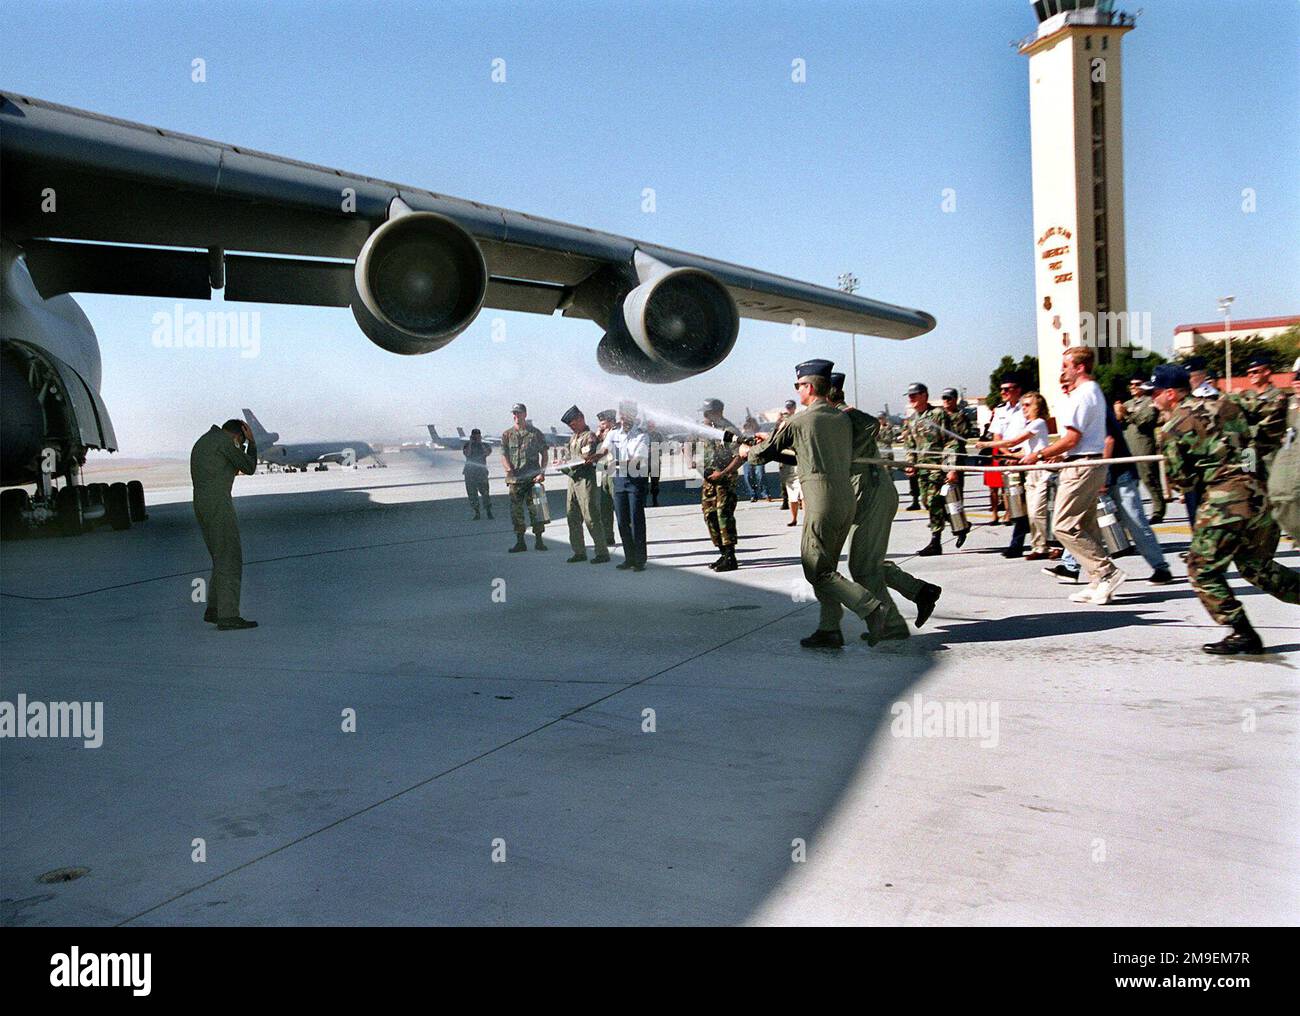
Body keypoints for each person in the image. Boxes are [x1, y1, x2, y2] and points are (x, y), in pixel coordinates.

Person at [1150, 364, 1298, 654]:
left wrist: (1210, 472)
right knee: (1257, 567)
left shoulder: (1171, 429)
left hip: (1224, 502)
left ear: (1170, 393)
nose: (1152, 399)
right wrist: (1247, 468)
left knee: (1201, 569)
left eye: (1154, 393)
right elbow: (1255, 435)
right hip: (1258, 495)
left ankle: (1242, 632)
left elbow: (1184, 481)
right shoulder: (1227, 404)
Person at [740, 359, 887, 649]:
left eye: (798, 386)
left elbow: (761, 455)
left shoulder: (797, 421)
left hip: (820, 501)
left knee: (816, 569)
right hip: (846, 499)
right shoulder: (840, 419)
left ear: (808, 386)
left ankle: (870, 607)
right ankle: (830, 629)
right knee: (828, 568)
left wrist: (747, 449)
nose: (797, 391)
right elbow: (805, 454)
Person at [829, 372, 941, 640]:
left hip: (872, 497)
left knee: (863, 567)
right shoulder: (832, 421)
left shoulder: (844, 416)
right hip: (865, 497)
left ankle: (891, 623)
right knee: (866, 564)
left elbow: (870, 425)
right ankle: (920, 592)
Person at [1020, 346, 1126, 605]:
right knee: (1087, 526)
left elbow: (1071, 438)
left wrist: (1042, 454)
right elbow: (1076, 441)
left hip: (1082, 466)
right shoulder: (1091, 392)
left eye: (1066, 365)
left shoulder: (1084, 394)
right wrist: (1060, 454)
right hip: (1085, 461)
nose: (1062, 370)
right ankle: (1096, 582)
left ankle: (1106, 571)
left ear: (1079, 367)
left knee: (1063, 525)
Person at [190, 419, 258, 630]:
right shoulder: (226, 443)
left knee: (220, 557)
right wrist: (252, 444)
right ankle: (228, 616)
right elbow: (249, 467)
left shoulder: (204, 441)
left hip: (201, 503)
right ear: (238, 436)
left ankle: (214, 610)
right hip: (218, 504)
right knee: (230, 557)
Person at [1101, 400, 1172, 583]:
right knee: (1082, 520)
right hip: (1102, 475)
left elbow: (1109, 441)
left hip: (1119, 475)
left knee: (1135, 522)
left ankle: (1161, 568)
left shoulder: (1097, 408)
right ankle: (1070, 565)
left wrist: (1102, 476)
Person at [977, 391, 1053, 560]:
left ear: (1038, 407)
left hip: (1041, 472)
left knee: (1037, 512)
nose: (1024, 409)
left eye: (1028, 405)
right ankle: (1039, 547)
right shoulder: (1031, 425)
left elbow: (1013, 442)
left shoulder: (1038, 423)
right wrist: (1006, 456)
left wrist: (986, 444)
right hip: (1031, 473)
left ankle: (1044, 547)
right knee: (1032, 512)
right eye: (1023, 405)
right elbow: (1024, 452)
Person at [901, 382, 968, 555]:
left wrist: (951, 467)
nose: (911, 399)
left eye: (914, 395)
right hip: (922, 469)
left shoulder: (938, 415)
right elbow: (909, 446)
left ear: (924, 395)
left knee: (933, 502)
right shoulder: (911, 420)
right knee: (927, 502)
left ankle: (935, 541)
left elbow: (951, 442)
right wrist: (910, 464)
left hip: (938, 467)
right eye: (909, 396)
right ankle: (959, 524)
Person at [695, 398, 743, 572]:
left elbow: (740, 456)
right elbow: (692, 446)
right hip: (709, 481)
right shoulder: (706, 430)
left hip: (724, 481)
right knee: (710, 515)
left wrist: (722, 474)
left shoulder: (729, 431)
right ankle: (723, 553)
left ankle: (731, 557)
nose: (705, 416)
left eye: (707, 413)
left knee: (724, 515)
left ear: (717, 412)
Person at [604, 401, 651, 571]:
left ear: (633, 416)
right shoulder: (614, 433)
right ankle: (629, 558)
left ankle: (640, 560)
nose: (622, 419)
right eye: (621, 415)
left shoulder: (641, 436)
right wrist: (594, 456)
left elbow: (638, 460)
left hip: (635, 481)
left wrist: (617, 462)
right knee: (622, 521)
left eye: (626, 415)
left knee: (636, 520)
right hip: (619, 481)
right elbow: (604, 450)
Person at [560, 406, 609, 564]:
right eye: (570, 425)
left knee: (591, 517)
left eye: (573, 424)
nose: (571, 427)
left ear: (581, 419)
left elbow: (585, 458)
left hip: (585, 480)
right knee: (572, 516)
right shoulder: (573, 437)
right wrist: (562, 462)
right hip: (572, 480)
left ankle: (602, 552)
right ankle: (579, 552)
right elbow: (567, 455)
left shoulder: (590, 437)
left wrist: (566, 464)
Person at [1114, 374, 1165, 523]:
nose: (1133, 387)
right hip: (1128, 444)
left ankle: (1158, 510)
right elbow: (1121, 424)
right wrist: (1119, 415)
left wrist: (1126, 413)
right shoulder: (1128, 403)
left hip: (1143, 445)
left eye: (1136, 384)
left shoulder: (1150, 402)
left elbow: (1145, 421)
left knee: (1149, 478)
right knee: (1129, 481)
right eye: (1131, 384)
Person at [1232, 354, 1289, 487]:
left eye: (1255, 371)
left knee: (1271, 487)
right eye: (1249, 373)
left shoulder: (1277, 395)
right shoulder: (1248, 395)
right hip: (1249, 451)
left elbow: (1267, 411)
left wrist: (1242, 399)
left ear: (1267, 372)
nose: (1251, 375)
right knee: (1249, 485)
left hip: (1268, 451)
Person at [500, 402, 549, 553]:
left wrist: (542, 472)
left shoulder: (535, 433)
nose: (516, 416)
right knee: (516, 512)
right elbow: (503, 454)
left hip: (533, 479)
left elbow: (545, 454)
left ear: (525, 415)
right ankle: (520, 542)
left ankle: (539, 541)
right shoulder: (507, 435)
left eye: (519, 413)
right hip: (516, 480)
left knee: (537, 510)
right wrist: (508, 469)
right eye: (514, 413)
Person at [1266, 357, 1300, 540]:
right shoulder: (1291, 402)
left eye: (1256, 371)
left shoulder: (1278, 397)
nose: (1296, 379)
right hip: (1267, 464)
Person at [989, 374, 1027, 524]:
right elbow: (997, 438)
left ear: (1018, 390)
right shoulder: (1000, 411)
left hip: (1026, 456)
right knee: (1012, 495)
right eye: (1001, 390)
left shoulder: (1027, 407)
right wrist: (1009, 455)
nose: (1003, 393)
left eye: (1007, 389)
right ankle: (1017, 541)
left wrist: (1019, 455)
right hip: (1008, 457)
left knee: (1029, 499)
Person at [595, 409, 618, 546]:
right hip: (605, 473)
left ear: (611, 422)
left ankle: (629, 536)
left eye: (603, 423)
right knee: (605, 507)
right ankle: (608, 536)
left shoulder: (617, 434)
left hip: (615, 473)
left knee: (620, 507)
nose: (601, 426)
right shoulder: (603, 435)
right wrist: (598, 435)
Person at [462, 429, 492, 520]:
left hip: (481, 473)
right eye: (474, 436)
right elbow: (467, 454)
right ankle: (476, 512)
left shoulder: (484, 445)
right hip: (470, 473)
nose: (476, 437)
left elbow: (487, 453)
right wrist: (471, 443)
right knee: (472, 494)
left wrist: (480, 442)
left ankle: (488, 511)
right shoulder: (467, 445)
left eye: (478, 436)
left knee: (485, 493)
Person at [741, 415, 766, 501]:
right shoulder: (745, 431)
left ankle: (764, 493)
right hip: (747, 456)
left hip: (758, 455)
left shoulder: (759, 431)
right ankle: (753, 494)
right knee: (748, 475)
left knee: (760, 474)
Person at [644, 419, 665, 507]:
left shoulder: (658, 435)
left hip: (655, 461)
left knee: (655, 483)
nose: (651, 427)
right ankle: (643, 501)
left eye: (652, 425)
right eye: (649, 425)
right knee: (643, 483)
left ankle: (655, 500)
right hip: (644, 462)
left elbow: (663, 446)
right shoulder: (643, 435)